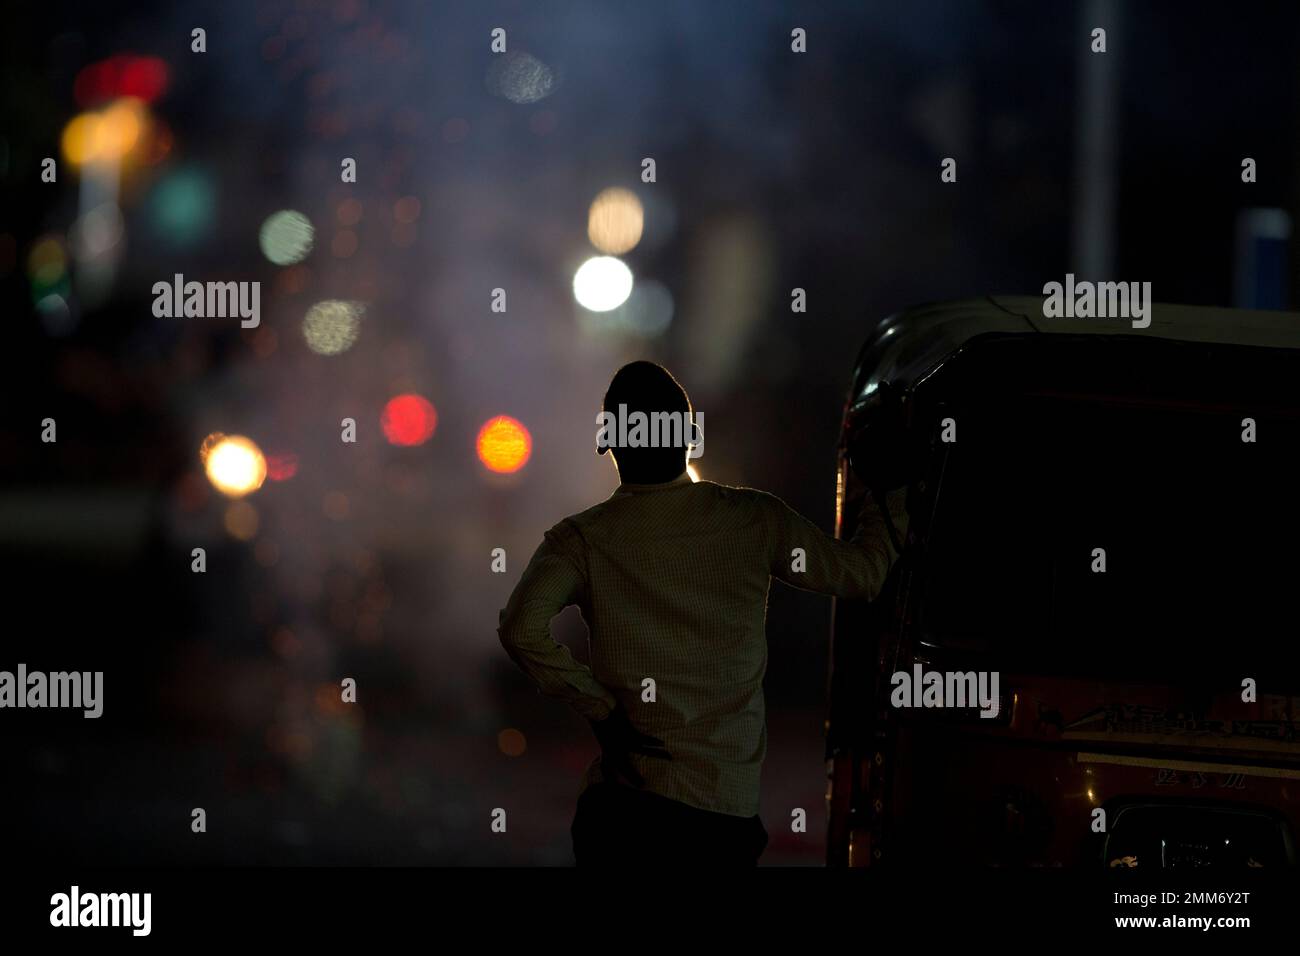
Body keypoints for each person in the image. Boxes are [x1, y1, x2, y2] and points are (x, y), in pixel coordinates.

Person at [497, 361, 908, 865]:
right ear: (689, 440)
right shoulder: (755, 520)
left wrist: (600, 709)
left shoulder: (582, 539)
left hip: (623, 813)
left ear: (612, 445)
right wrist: (893, 492)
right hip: (722, 816)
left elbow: (520, 628)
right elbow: (863, 575)